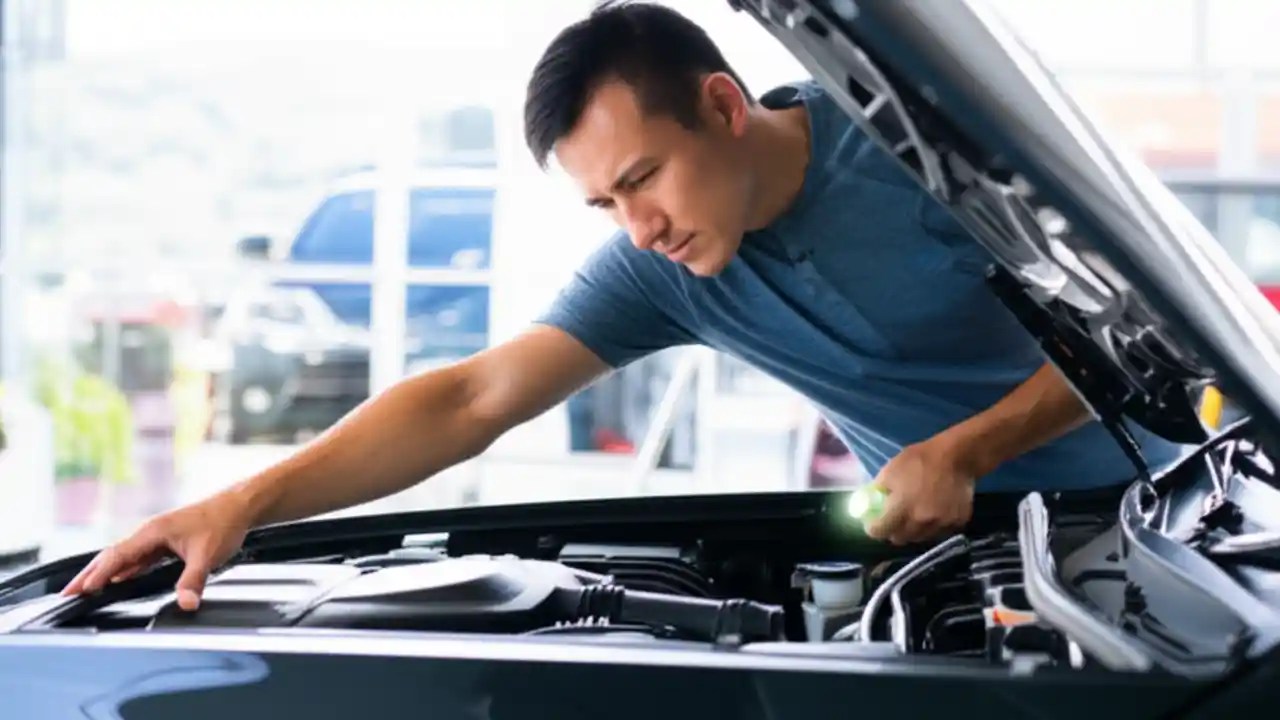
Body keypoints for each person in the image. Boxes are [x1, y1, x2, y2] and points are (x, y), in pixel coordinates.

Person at [62, 1, 1185, 611]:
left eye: (642, 178)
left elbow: (1132, 338)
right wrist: (242, 506)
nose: (636, 225)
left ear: (720, 105)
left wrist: (965, 447)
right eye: (604, 202)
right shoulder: (664, 268)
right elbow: (468, 399)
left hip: (1165, 538)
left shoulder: (918, 164)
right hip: (966, 573)